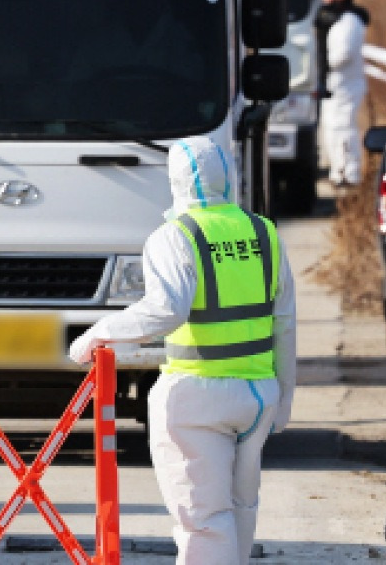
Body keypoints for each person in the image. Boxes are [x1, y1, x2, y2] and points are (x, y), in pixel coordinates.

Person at [68, 135, 296, 565]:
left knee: (203, 519)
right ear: (229, 176)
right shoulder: (263, 232)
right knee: (240, 508)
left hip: (196, 395)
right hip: (257, 396)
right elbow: (284, 322)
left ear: (175, 181)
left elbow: (165, 311)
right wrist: (285, 395)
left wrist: (100, 332)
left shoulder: (174, 237)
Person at [317, 0, 369, 189]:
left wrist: (322, 60)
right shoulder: (338, 20)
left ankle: (350, 173)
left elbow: (343, 54)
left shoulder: (349, 21)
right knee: (332, 129)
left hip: (347, 87)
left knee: (344, 129)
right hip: (336, 86)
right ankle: (338, 171)